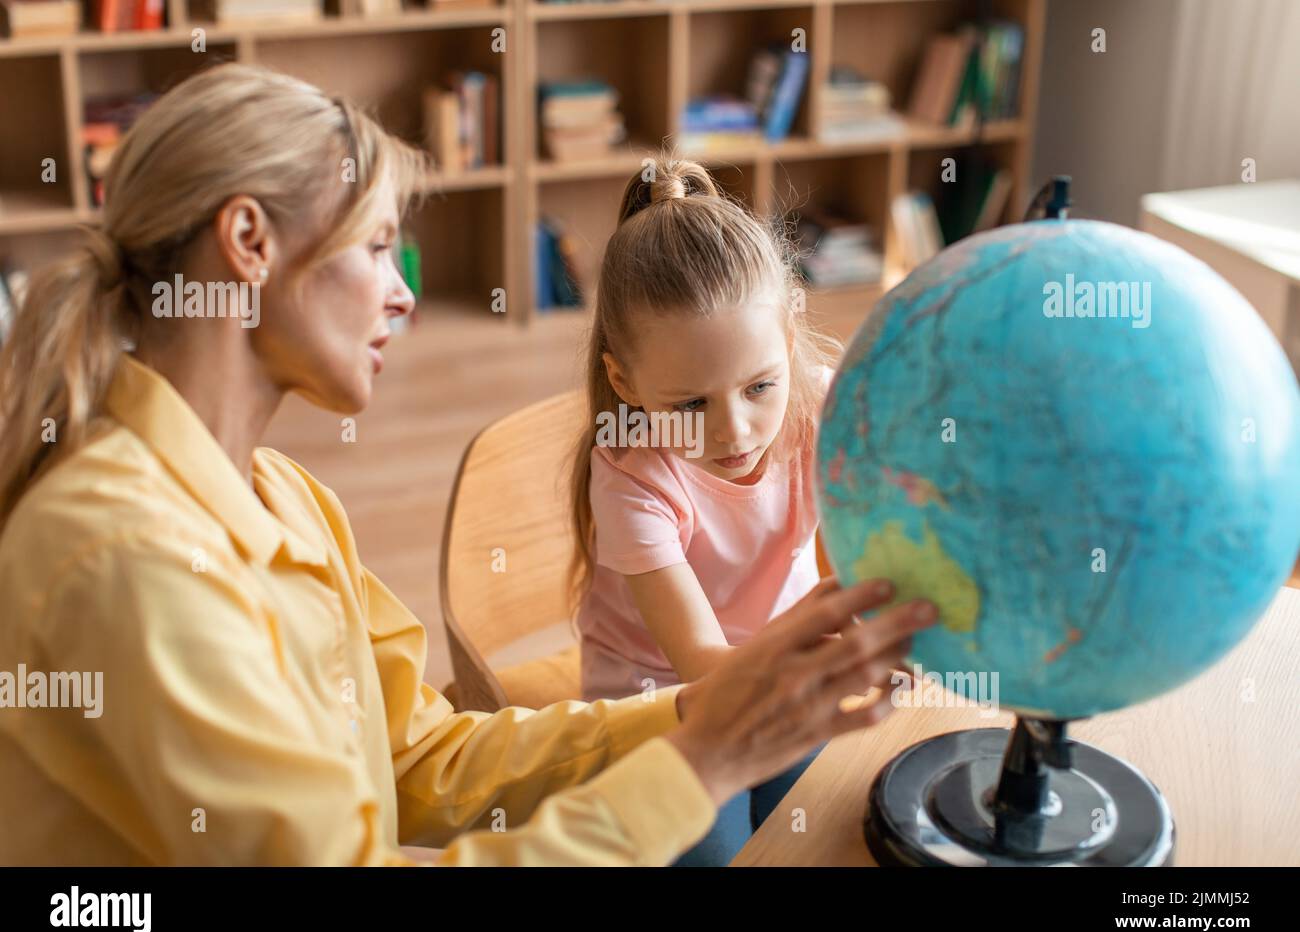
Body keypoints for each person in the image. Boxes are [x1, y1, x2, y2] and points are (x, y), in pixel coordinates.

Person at [0, 63, 936, 866]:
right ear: (249, 244)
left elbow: (423, 758)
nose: (405, 294)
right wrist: (705, 761)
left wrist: (701, 712)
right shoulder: (126, 555)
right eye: (376, 248)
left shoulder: (284, 496)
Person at [569, 157, 840, 864]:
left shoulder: (826, 410)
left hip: (778, 677)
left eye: (760, 386)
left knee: (833, 825)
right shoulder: (631, 480)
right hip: (660, 705)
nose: (734, 431)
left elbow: (858, 562)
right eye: (690, 404)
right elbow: (702, 666)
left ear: (789, 343)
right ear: (624, 383)